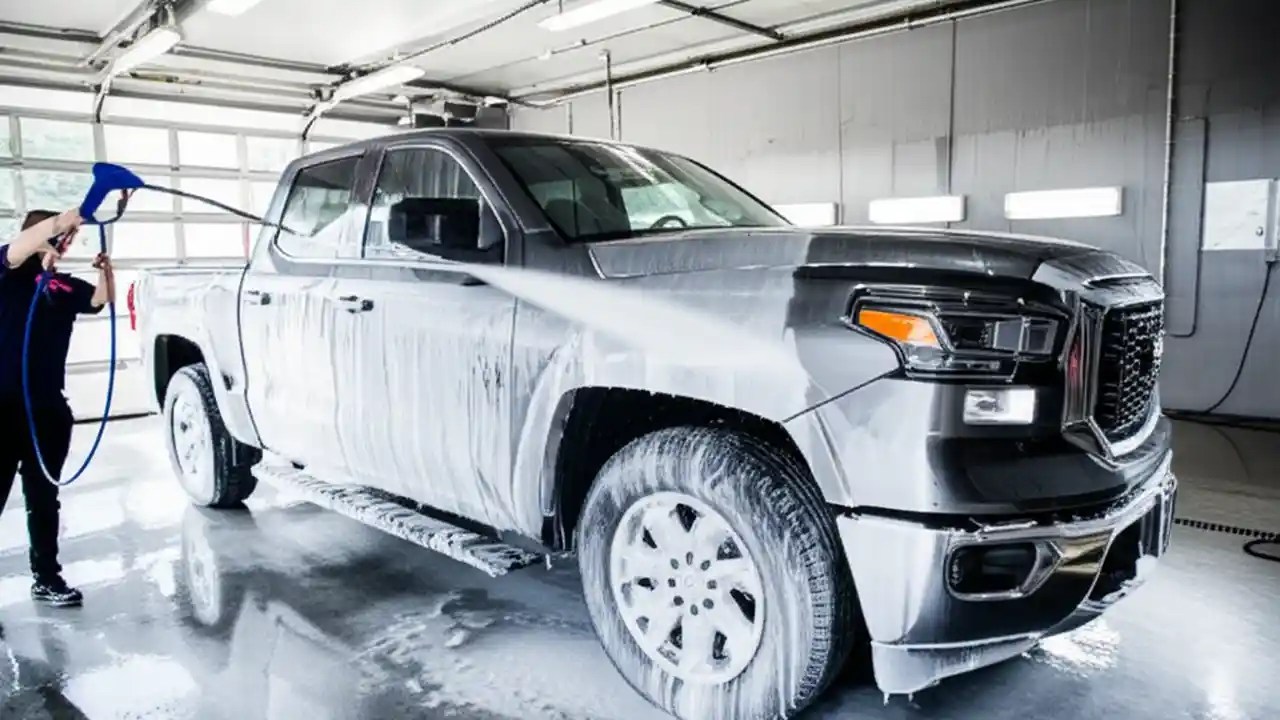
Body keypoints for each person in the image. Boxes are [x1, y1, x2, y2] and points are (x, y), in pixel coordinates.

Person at [0, 208, 116, 607]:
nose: (68, 240)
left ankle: (46, 578)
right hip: (3, 407)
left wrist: (105, 271)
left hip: (48, 409)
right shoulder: (8, 270)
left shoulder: (63, 287)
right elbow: (21, 249)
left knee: (43, 499)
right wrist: (76, 215)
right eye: (63, 234)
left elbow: (100, 300)